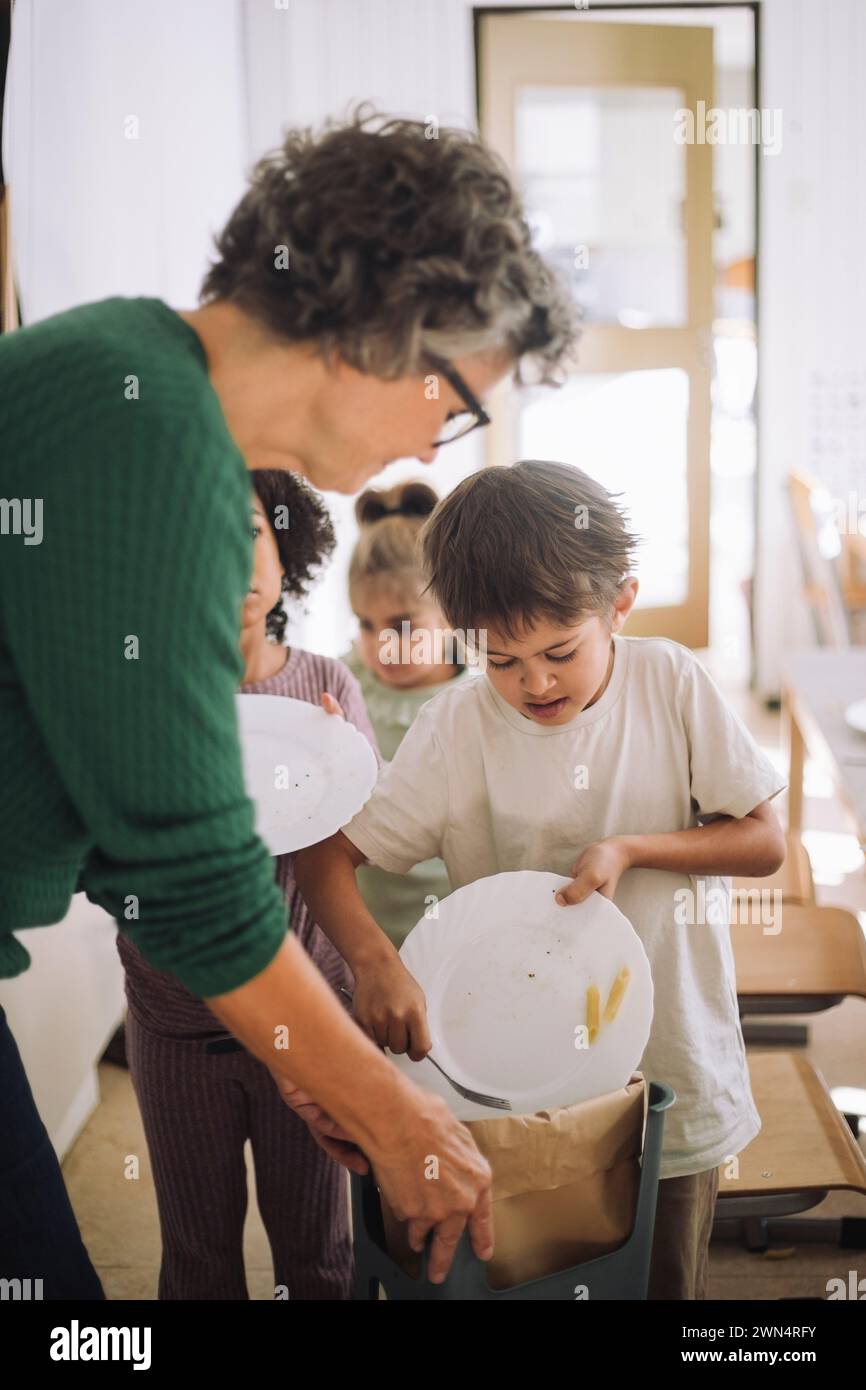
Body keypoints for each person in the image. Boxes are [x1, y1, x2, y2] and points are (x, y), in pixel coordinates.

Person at [0, 109, 578, 1295]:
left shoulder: (138, 384)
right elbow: (198, 872)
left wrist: (301, 1062)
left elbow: (140, 858)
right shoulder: (154, 442)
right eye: (456, 400)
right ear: (385, 330)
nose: (438, 434)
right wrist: (391, 1112)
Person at [294, 459, 787, 1297]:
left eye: (560, 652)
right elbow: (326, 856)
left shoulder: (668, 681)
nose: (535, 683)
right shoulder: (457, 725)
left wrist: (633, 848)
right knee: (521, 1277)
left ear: (618, 603)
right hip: (511, 1080)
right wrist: (375, 963)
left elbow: (765, 840)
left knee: (662, 1276)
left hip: (673, 1065)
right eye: (500, 661)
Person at [116, 468, 377, 1299]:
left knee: (319, 1256)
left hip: (308, 1017)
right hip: (176, 1024)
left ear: (285, 544)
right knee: (197, 1256)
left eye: (250, 532)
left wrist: (340, 777)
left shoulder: (327, 686)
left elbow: (363, 844)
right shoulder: (141, 696)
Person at [343, 480, 472, 948]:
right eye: (365, 624)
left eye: (403, 625)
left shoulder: (481, 698)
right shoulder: (342, 682)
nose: (382, 644)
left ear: (453, 613)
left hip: (456, 925)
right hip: (361, 931)